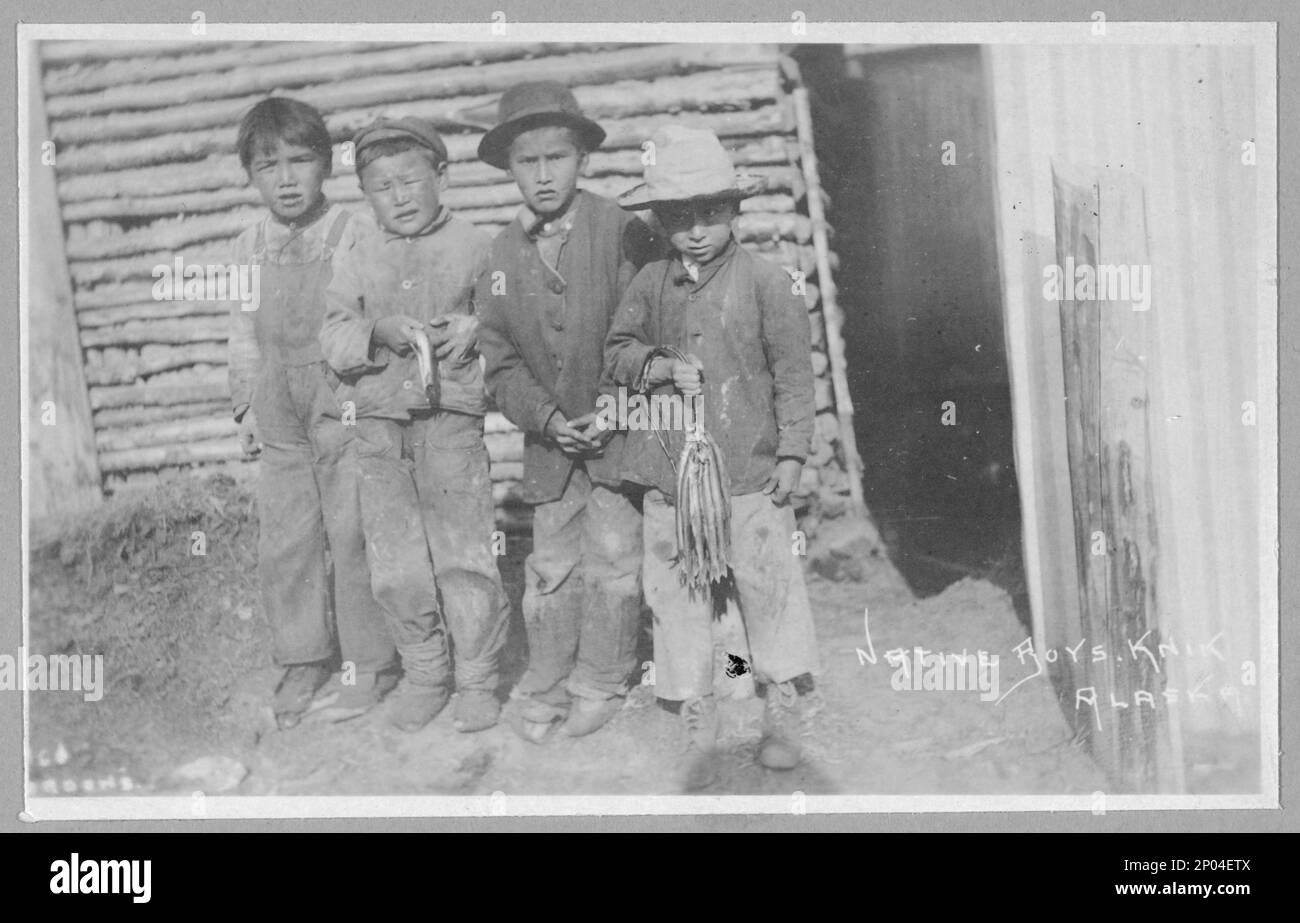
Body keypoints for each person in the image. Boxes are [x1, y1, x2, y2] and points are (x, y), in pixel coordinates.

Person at [605, 125, 821, 789]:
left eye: (711, 214)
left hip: (749, 469)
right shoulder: (649, 282)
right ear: (662, 221)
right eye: (680, 218)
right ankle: (697, 702)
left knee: (764, 580)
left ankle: (780, 695)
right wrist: (660, 365)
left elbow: (793, 374)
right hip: (672, 473)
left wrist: (792, 452)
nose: (696, 231)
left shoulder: (765, 283)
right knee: (678, 588)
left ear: (734, 210)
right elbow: (616, 352)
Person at [476, 81, 659, 742]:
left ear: (582, 157)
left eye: (558, 156)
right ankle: (547, 680)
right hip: (552, 449)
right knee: (551, 568)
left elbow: (652, 327)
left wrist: (617, 402)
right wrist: (547, 419)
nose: (544, 173)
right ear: (509, 168)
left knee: (614, 558)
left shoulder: (624, 232)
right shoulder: (500, 256)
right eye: (528, 161)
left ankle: (602, 680)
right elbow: (497, 362)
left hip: (621, 435)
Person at [319, 116, 511, 733]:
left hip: (450, 426)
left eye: (410, 180)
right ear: (364, 194)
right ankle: (427, 673)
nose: (398, 196)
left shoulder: (478, 245)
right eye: (380, 185)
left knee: (464, 555)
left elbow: (507, 321)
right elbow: (333, 333)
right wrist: (376, 330)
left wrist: (475, 328)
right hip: (379, 429)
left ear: (442, 176)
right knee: (396, 562)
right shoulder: (356, 253)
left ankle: (478, 678)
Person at [226, 97, 396, 729]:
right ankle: (303, 656)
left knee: (352, 530)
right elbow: (242, 330)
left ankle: (368, 660)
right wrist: (245, 405)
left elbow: (367, 315)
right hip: (277, 407)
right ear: (250, 174)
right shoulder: (247, 245)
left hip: (341, 399)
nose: (287, 178)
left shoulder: (349, 232)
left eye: (301, 161)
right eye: (269, 166)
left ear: (327, 163)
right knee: (287, 536)